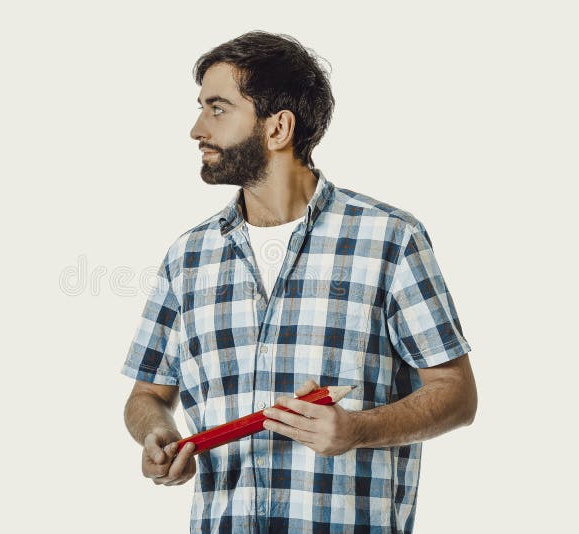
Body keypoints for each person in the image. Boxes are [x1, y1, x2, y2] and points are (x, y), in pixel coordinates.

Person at [121, 30, 477, 534]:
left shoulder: (390, 239)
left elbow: (457, 393)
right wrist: (157, 433)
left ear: (278, 128)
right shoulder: (188, 256)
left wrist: (357, 429)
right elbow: (148, 395)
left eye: (217, 108)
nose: (197, 128)